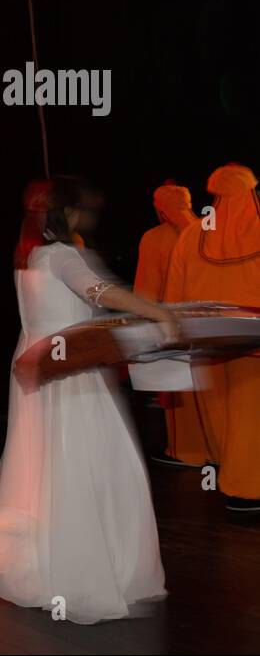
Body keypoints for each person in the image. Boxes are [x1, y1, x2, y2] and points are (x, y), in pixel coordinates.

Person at [0, 177, 172, 623]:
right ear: (70, 214)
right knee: (84, 463)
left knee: (42, 465)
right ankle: (81, 571)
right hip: (67, 364)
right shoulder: (61, 255)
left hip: (38, 361)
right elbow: (99, 293)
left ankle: (42, 561)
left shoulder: (31, 256)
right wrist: (158, 311)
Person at [163, 164, 260, 513]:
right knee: (250, 415)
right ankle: (247, 489)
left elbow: (174, 292)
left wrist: (175, 331)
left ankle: (230, 478)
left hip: (207, 338)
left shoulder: (193, 235)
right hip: (253, 342)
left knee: (220, 413)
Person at [133, 182, 203, 469]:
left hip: (172, 322)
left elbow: (146, 291)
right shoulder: (207, 230)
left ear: (160, 209)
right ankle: (215, 450)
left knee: (178, 391)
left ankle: (186, 451)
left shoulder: (154, 237)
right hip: (211, 324)